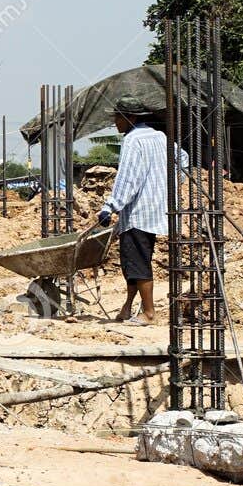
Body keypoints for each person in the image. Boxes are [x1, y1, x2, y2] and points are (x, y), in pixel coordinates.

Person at [97, 96, 186, 325]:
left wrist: (110, 207)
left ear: (130, 117)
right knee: (134, 262)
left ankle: (149, 313)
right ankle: (127, 308)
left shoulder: (133, 140)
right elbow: (183, 159)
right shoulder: (159, 136)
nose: (115, 122)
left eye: (118, 117)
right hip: (158, 210)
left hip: (138, 214)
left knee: (137, 263)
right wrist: (174, 182)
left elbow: (128, 179)